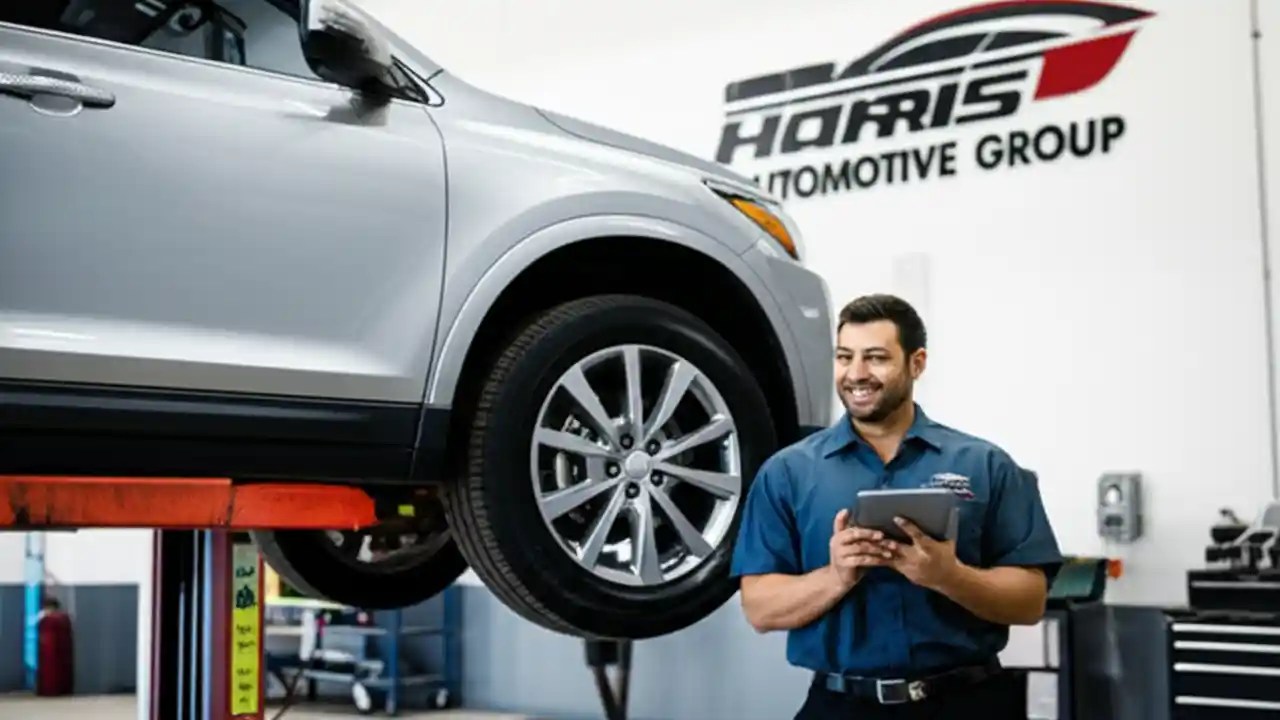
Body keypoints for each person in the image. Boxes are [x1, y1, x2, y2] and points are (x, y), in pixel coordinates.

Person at [731, 293, 1062, 719]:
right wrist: (836, 576)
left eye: (875, 358)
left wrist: (949, 576)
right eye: (845, 357)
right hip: (841, 707)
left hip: (969, 703)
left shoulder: (985, 465)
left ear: (916, 363)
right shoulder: (787, 473)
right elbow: (759, 608)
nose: (856, 374)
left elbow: (1030, 602)